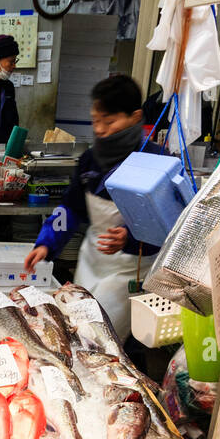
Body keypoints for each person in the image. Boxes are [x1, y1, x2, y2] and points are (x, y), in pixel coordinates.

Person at [22, 74, 167, 338]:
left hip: (130, 269)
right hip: (91, 261)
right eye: (96, 120)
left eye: (109, 121)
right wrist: (46, 242)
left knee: (99, 337)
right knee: (73, 326)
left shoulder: (156, 161)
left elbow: (169, 224)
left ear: (135, 117)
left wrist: (131, 236)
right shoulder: (90, 160)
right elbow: (71, 207)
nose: (99, 129)